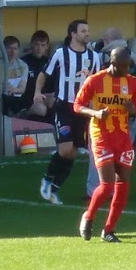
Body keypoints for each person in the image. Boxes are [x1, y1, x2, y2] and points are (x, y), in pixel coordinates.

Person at [75, 47, 136, 243]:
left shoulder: (133, 83)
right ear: (112, 62)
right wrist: (96, 113)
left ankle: (108, 230)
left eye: (128, 66)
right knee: (107, 184)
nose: (125, 69)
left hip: (124, 137)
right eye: (121, 65)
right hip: (101, 134)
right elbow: (78, 105)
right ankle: (89, 216)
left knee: (123, 183)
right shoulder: (95, 80)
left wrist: (133, 109)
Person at [37, 21, 102, 206]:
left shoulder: (94, 57)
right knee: (65, 149)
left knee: (72, 153)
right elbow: (44, 74)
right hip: (64, 107)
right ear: (73, 34)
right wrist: (36, 92)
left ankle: (54, 190)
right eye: (83, 31)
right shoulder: (60, 54)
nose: (87, 34)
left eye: (88, 31)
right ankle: (47, 179)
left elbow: (97, 82)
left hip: (83, 109)